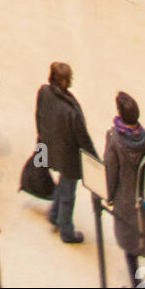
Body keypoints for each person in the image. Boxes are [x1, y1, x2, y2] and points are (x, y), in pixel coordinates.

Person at [104, 91, 145, 288]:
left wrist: (109, 195)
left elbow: (110, 171)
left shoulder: (114, 138)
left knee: (131, 249)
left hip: (126, 203)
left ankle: (136, 284)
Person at [36, 62, 97, 244]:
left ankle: (54, 214)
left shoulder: (44, 92)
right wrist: (95, 161)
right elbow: (83, 139)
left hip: (52, 147)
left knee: (63, 183)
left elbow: (39, 116)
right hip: (69, 157)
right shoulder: (71, 112)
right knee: (69, 193)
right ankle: (66, 230)